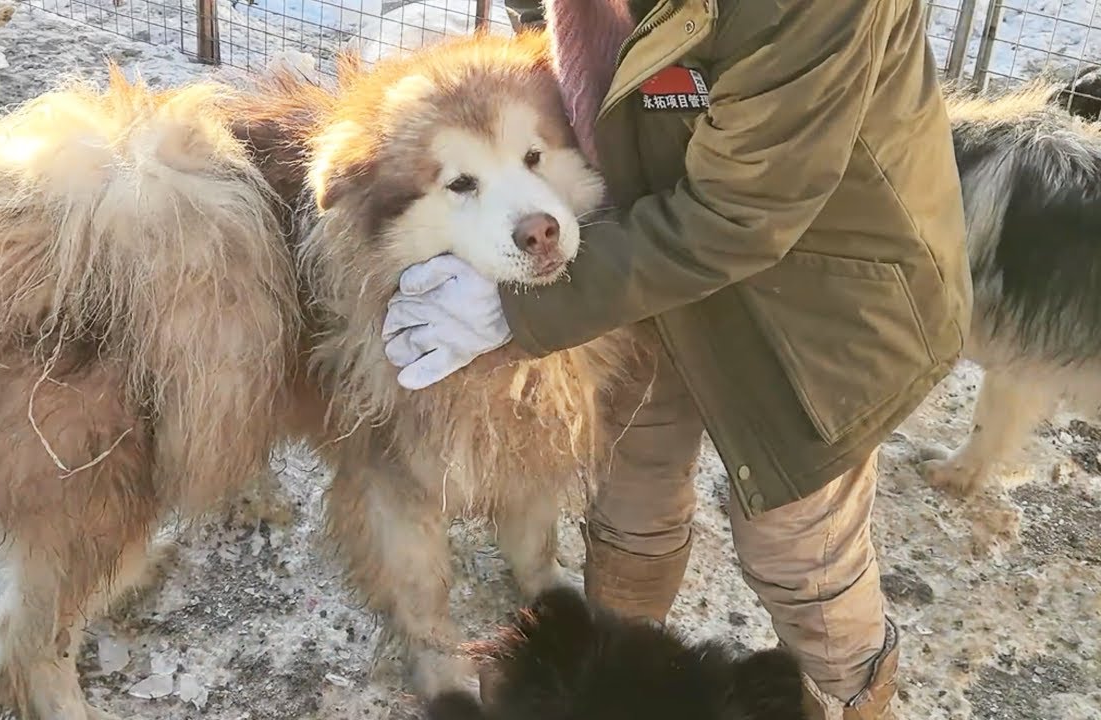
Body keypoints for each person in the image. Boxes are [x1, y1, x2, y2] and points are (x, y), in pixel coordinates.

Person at [381, 1, 972, 718]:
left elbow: (742, 213)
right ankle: (623, 681)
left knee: (797, 546)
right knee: (632, 497)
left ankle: (852, 701)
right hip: (640, 263)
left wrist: (521, 309)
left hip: (822, 295)